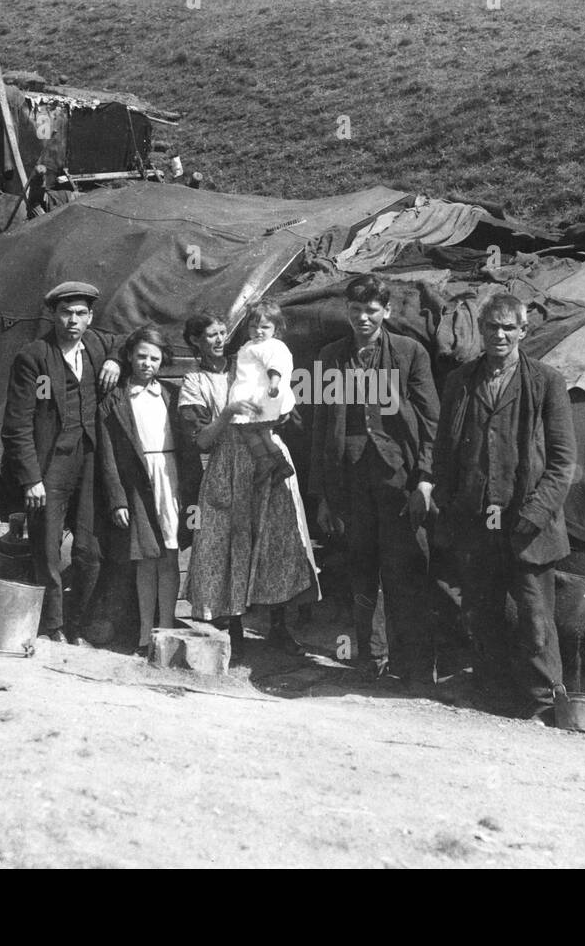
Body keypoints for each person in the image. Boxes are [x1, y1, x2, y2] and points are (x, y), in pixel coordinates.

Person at [431, 291, 577, 722]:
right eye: (491, 327)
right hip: (476, 520)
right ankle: (491, 695)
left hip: (529, 523)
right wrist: (451, 502)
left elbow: (562, 461)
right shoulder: (461, 381)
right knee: (481, 608)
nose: (499, 335)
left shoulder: (546, 382)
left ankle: (544, 703)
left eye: (508, 327)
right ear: (480, 330)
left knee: (535, 617)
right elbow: (443, 454)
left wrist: (533, 514)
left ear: (523, 331)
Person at [309, 274, 440, 683]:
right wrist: (325, 495)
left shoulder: (409, 353)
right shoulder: (331, 356)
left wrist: (425, 479)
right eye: (355, 310)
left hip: (397, 476)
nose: (363, 318)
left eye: (371, 311)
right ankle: (371, 658)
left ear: (387, 311)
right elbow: (320, 427)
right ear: (346, 311)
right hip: (351, 479)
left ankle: (413, 666)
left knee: (406, 568)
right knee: (362, 569)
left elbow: (431, 419)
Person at [180, 306, 318, 655]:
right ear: (196, 341)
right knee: (229, 543)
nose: (218, 340)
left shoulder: (247, 361)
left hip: (268, 458)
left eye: (222, 332)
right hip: (228, 465)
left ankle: (279, 628)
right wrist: (228, 412)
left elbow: (286, 402)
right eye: (210, 335)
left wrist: (280, 407)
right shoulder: (194, 381)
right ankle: (234, 627)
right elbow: (201, 441)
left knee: (278, 537)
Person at [0, 281, 123, 644]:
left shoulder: (97, 346)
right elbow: (16, 424)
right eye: (66, 313)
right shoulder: (34, 357)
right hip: (50, 464)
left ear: (90, 317)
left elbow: (127, 340)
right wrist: (31, 478)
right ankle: (50, 625)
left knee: (88, 549)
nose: (73, 320)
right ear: (53, 314)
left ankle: (77, 624)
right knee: (47, 547)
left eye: (81, 313)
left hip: (90, 459)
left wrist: (115, 360)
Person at [97, 326, 200, 655]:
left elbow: (188, 445)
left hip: (168, 476)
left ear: (162, 361)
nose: (146, 363)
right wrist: (118, 499)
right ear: (129, 356)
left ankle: (166, 627)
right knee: (145, 557)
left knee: (169, 554)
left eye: (154, 358)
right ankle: (144, 632)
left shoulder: (170, 394)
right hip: (138, 482)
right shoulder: (116, 399)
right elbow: (108, 455)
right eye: (140, 356)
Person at [227, 307, 297, 485]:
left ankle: (264, 459)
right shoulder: (251, 345)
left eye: (264, 327)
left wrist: (274, 384)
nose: (258, 331)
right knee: (263, 432)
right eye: (253, 326)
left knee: (247, 429)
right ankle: (281, 464)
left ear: (276, 328)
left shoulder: (270, 346)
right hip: (257, 398)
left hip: (265, 398)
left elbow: (275, 366)